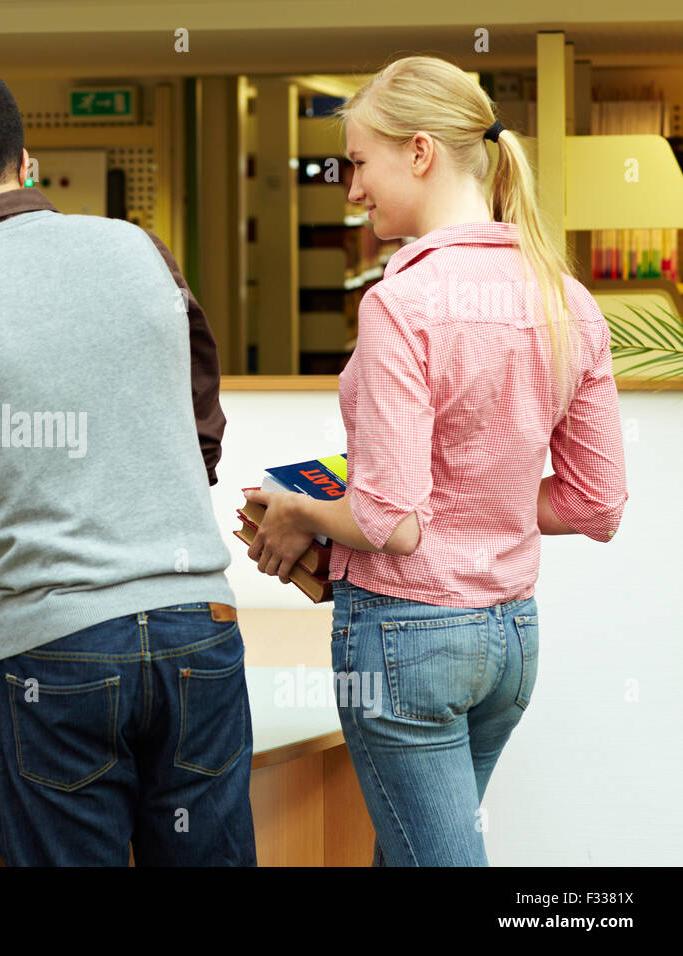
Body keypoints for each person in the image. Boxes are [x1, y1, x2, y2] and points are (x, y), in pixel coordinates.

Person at [0, 65, 253, 866]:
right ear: (22, 158)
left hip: (59, 654)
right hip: (198, 634)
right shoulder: (142, 251)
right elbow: (194, 437)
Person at [244, 55, 627, 866]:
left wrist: (297, 507)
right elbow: (597, 504)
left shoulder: (400, 302)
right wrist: (475, 494)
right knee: (415, 853)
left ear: (419, 152)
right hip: (511, 641)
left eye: (357, 163)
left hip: (406, 643)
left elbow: (389, 522)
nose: (350, 189)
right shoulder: (566, 296)